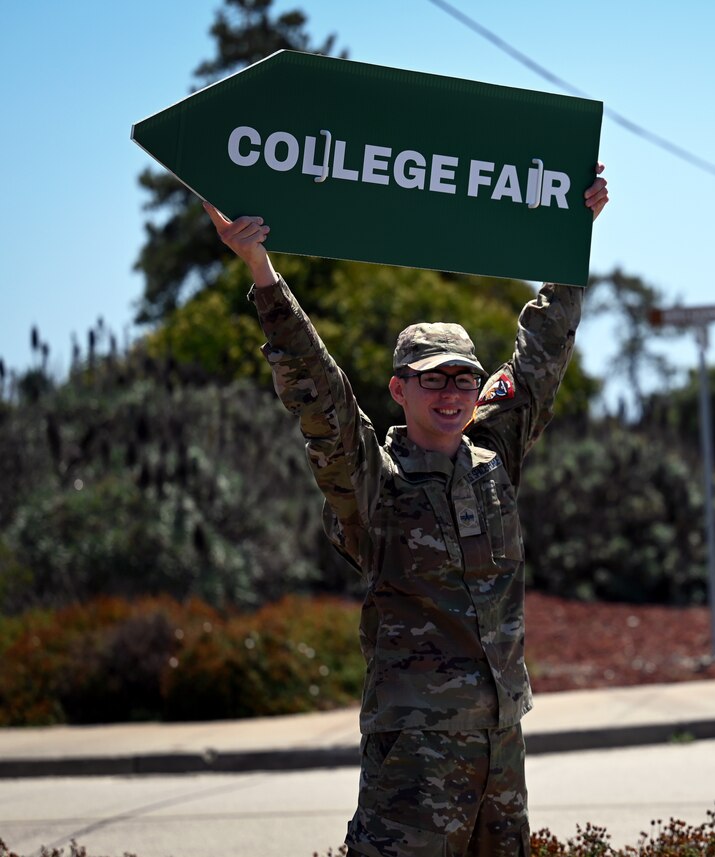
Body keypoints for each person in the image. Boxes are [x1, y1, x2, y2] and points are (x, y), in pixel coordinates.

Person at [204, 164, 608, 857]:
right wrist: (261, 271)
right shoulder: (375, 483)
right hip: (415, 753)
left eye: (463, 379)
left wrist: (576, 230)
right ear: (400, 389)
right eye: (431, 380)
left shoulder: (493, 455)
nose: (450, 394)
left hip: (501, 743)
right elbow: (320, 397)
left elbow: (541, 354)